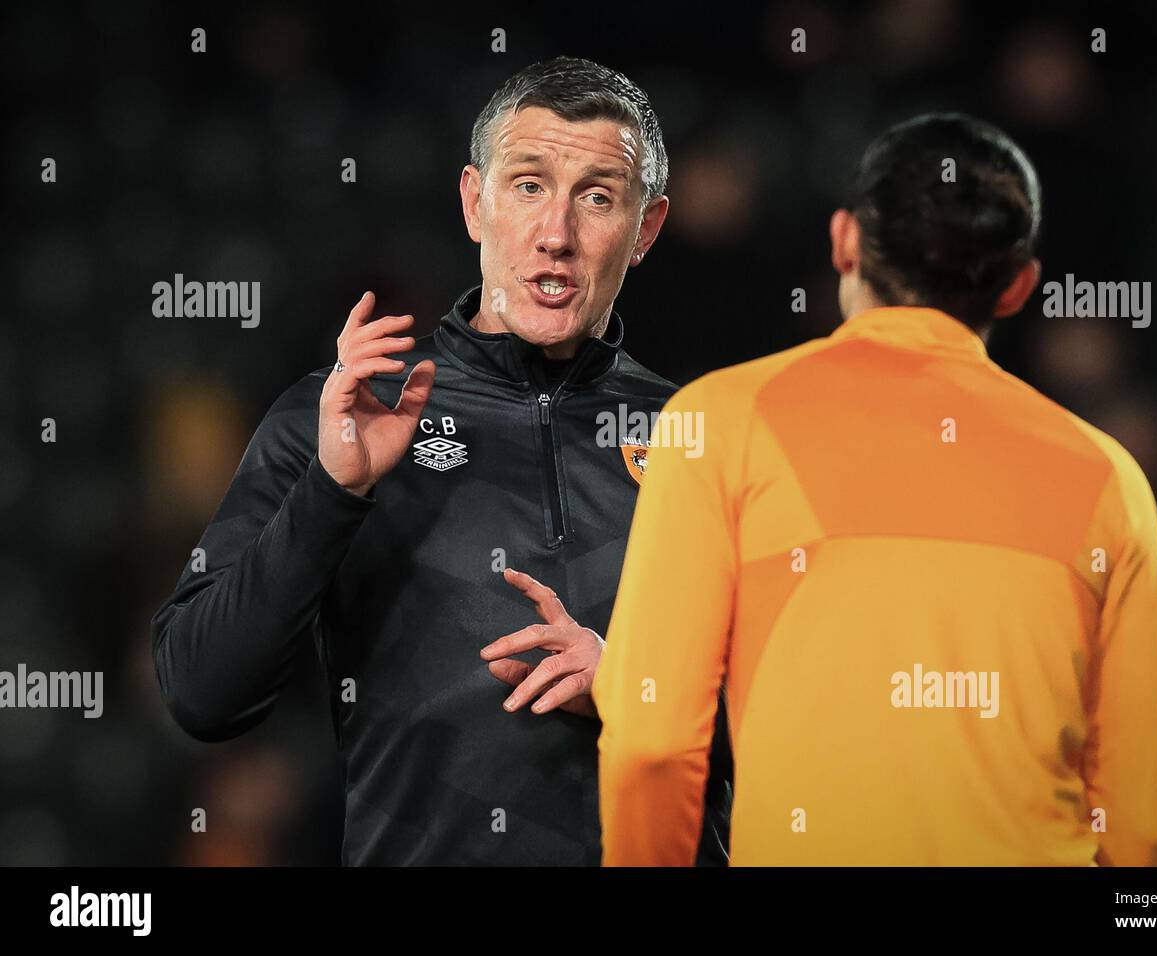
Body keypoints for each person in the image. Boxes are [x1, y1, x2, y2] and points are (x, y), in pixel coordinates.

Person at [151, 56, 732, 865]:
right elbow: (200, 692)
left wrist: (634, 686)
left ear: (646, 229)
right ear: (474, 202)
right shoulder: (344, 415)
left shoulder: (711, 436)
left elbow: (804, 722)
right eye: (527, 186)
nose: (556, 234)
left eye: (597, 198)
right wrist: (333, 492)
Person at [593, 113, 1157, 866]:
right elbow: (1136, 830)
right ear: (1019, 287)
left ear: (844, 241)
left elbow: (653, 740)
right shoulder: (1110, 477)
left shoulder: (716, 423)